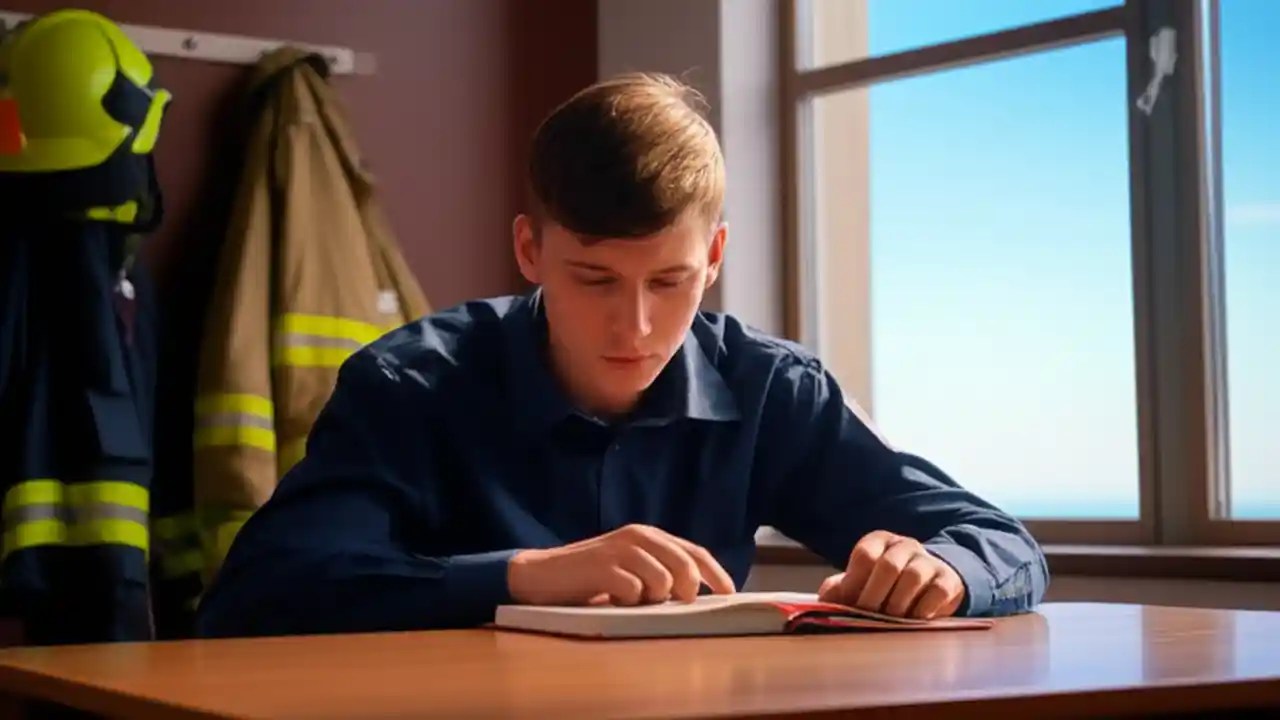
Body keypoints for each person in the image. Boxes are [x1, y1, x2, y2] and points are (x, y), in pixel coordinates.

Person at [194, 73, 1048, 638]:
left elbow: (1002, 544)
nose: (635, 326)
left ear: (714, 257)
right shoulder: (410, 383)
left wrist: (940, 568)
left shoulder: (773, 388)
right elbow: (259, 597)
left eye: (671, 281)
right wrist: (525, 577)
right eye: (595, 279)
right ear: (530, 250)